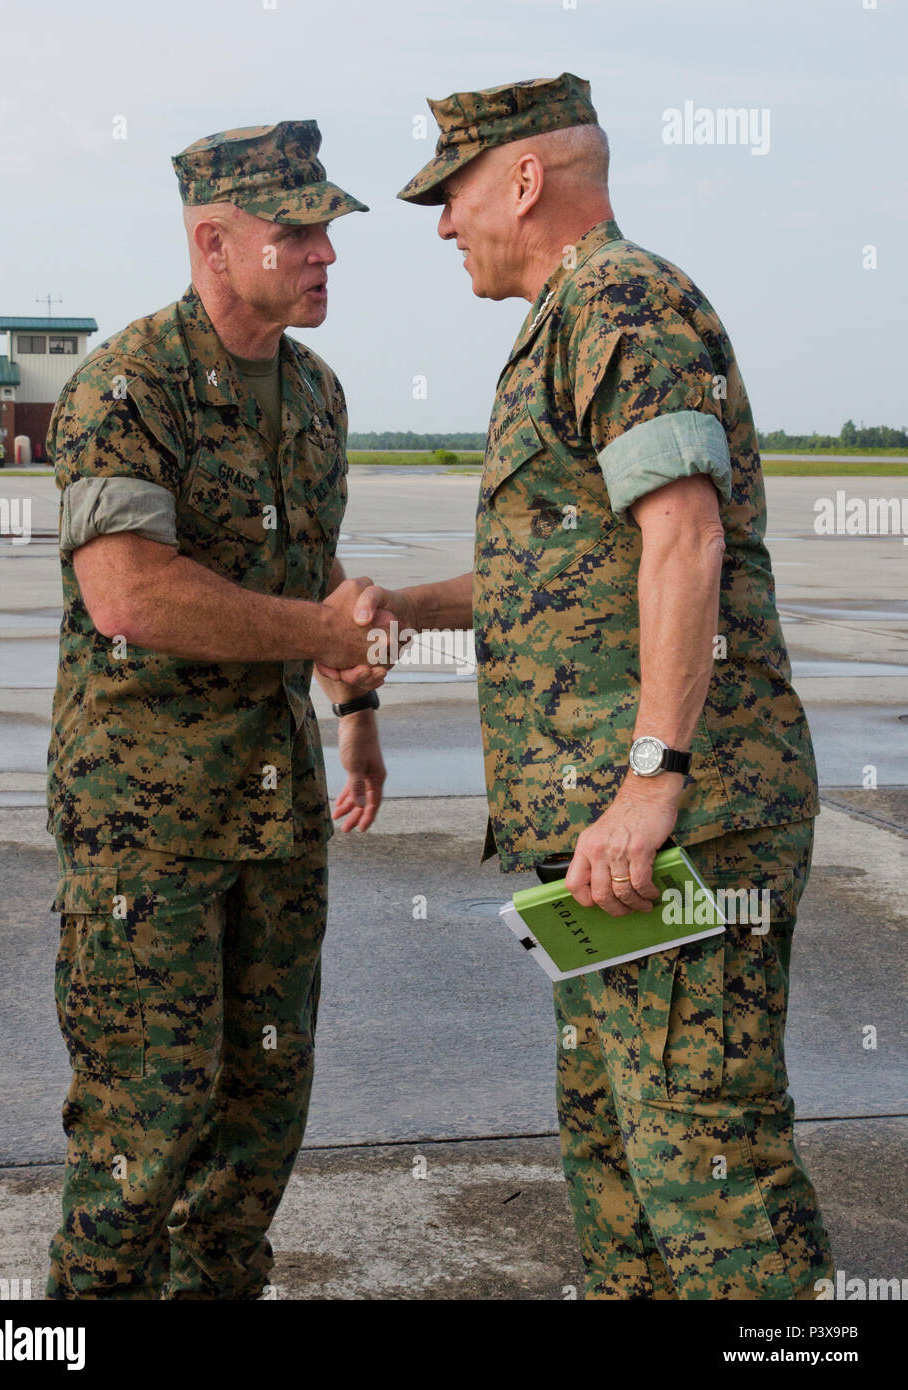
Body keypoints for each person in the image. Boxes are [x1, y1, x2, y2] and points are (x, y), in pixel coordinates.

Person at [333, 74, 834, 1299]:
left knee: (707, 1176)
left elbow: (683, 538)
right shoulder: (561, 322)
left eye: (449, 195)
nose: (442, 225)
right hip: (609, 853)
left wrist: (650, 777)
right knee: (620, 1174)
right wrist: (407, 609)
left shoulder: (619, 300)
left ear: (520, 178)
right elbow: (561, 570)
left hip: (682, 832)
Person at [45, 121, 392, 1299]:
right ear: (213, 240)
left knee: (261, 1110)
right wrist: (320, 637)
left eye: (326, 232)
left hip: (275, 809)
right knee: (144, 1121)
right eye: (295, 232)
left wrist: (356, 711)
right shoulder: (126, 384)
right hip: (148, 819)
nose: (323, 255)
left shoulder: (315, 395)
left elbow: (319, 575)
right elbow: (129, 594)